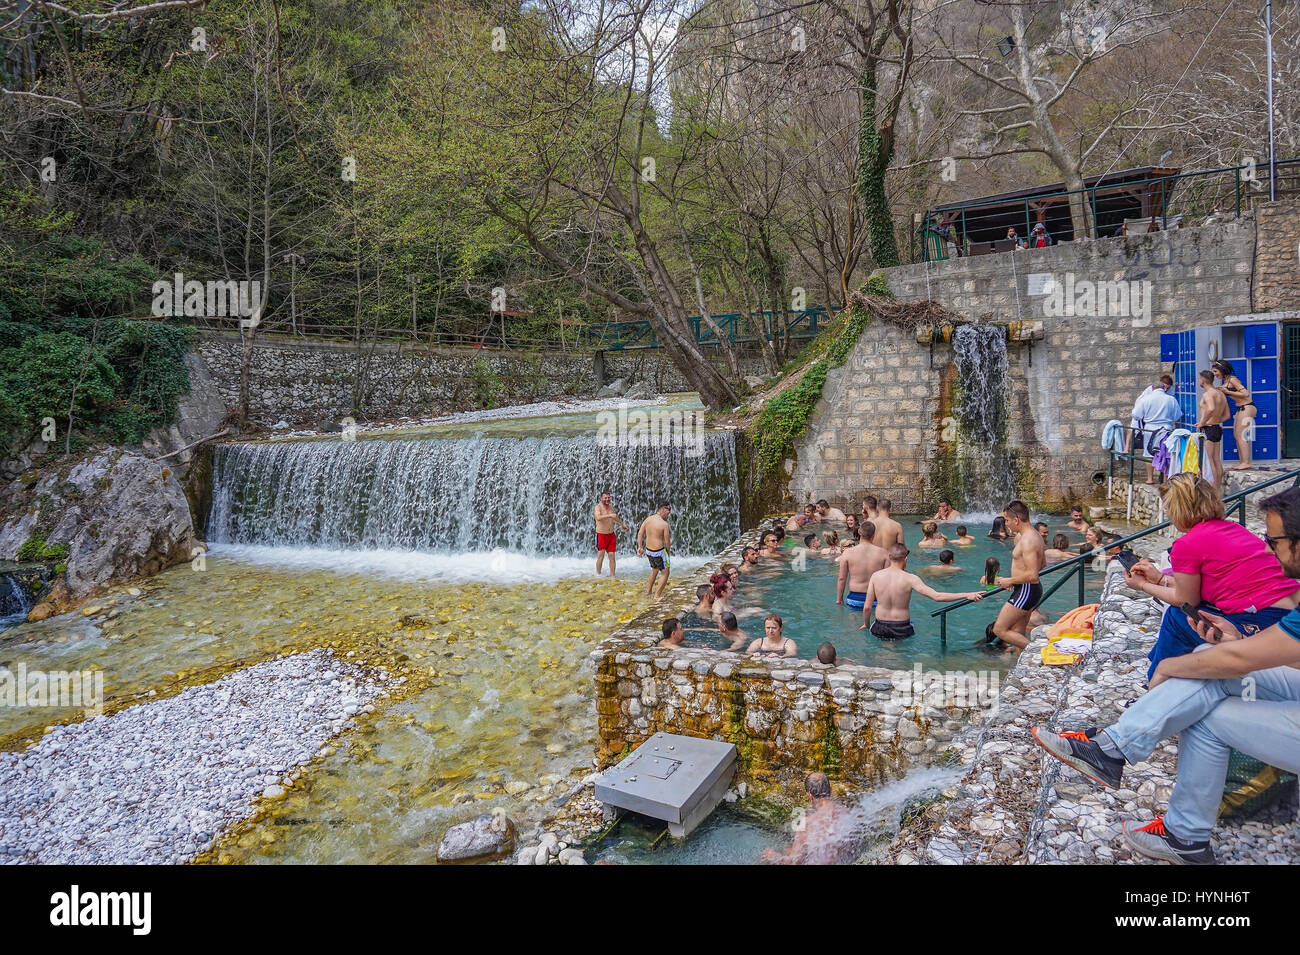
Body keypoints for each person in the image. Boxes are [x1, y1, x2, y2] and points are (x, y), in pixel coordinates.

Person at [1030, 485, 1300, 865]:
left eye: (1273, 541)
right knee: (1209, 654)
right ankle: (1116, 752)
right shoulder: (1232, 536)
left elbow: (1241, 660)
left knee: (1209, 705)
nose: (1268, 551)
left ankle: (1125, 765)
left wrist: (1169, 668)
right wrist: (1235, 638)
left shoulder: (1196, 541)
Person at [1122, 474, 1300, 679]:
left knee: (1178, 617)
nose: (1166, 512)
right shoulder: (1233, 528)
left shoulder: (1187, 545)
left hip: (1263, 619)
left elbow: (1185, 599)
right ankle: (1160, 669)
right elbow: (1212, 586)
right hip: (1287, 610)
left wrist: (1143, 585)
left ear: (1179, 508)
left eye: (1168, 507)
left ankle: (1157, 679)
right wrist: (1161, 579)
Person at [860, 544, 983, 639]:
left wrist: (866, 624)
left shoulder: (876, 576)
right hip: (902, 627)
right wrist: (967, 594)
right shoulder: (910, 578)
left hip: (880, 626)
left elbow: (867, 607)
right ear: (905, 559)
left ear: (889, 556)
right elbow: (937, 596)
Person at [986, 500, 1046, 650]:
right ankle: (1023, 669)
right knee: (1017, 632)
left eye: (1007, 520)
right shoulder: (1032, 535)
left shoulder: (1028, 540)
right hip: (1026, 589)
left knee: (999, 629)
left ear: (1016, 520)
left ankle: (1040, 651)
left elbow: (1033, 575)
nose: (1005, 523)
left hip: (1027, 590)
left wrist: (1010, 580)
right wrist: (1015, 581)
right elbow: (1042, 564)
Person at [760, 772, 851, 865]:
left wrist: (774, 857)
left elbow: (794, 862)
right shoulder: (846, 812)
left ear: (809, 795)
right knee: (786, 850)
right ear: (830, 790)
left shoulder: (808, 823)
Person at [1128, 375, 1182, 484]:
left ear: (1152, 388)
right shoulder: (1171, 399)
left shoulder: (1145, 399)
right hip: (1166, 428)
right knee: (1166, 453)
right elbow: (1177, 416)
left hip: (1150, 429)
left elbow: (1136, 415)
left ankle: (1150, 478)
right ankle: (1166, 479)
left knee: (1149, 454)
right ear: (1163, 388)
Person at [1213, 359, 1256, 471]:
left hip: (1247, 407)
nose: (1215, 374)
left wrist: (1227, 392)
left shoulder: (1233, 379)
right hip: (1241, 408)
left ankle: (1246, 462)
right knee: (1237, 435)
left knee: (1241, 435)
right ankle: (1242, 461)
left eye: (1216, 371)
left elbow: (1245, 393)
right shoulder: (1226, 381)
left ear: (1222, 370)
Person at [837, 520, 888, 611]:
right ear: (874, 534)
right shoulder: (883, 553)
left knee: (854, 624)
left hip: (855, 598)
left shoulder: (847, 553)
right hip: (875, 598)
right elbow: (888, 579)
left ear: (859, 532)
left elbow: (842, 578)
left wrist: (839, 599)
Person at [1197, 369, 1229, 494]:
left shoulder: (1208, 394)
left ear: (1203, 380)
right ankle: (1218, 489)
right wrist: (1214, 420)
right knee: (1216, 459)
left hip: (1209, 429)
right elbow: (1226, 416)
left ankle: (1214, 490)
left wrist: (1203, 422)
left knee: (1210, 460)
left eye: (1199, 379)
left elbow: (1211, 408)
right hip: (1217, 427)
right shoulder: (1220, 394)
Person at [636, 503, 672, 598]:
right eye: (669, 510)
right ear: (663, 509)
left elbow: (640, 533)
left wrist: (640, 547)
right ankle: (657, 596)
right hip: (659, 552)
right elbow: (667, 542)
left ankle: (648, 592)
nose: (669, 513)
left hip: (649, 551)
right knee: (665, 572)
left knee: (654, 570)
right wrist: (668, 553)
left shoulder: (648, 519)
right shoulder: (664, 524)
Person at [594, 491, 629, 578]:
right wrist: (609, 515)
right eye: (605, 498)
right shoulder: (598, 507)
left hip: (611, 535)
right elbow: (598, 518)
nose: (607, 499)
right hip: (601, 535)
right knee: (600, 556)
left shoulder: (610, 507)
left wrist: (622, 524)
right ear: (601, 498)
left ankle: (612, 576)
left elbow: (615, 517)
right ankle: (598, 574)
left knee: (612, 556)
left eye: (608, 497)